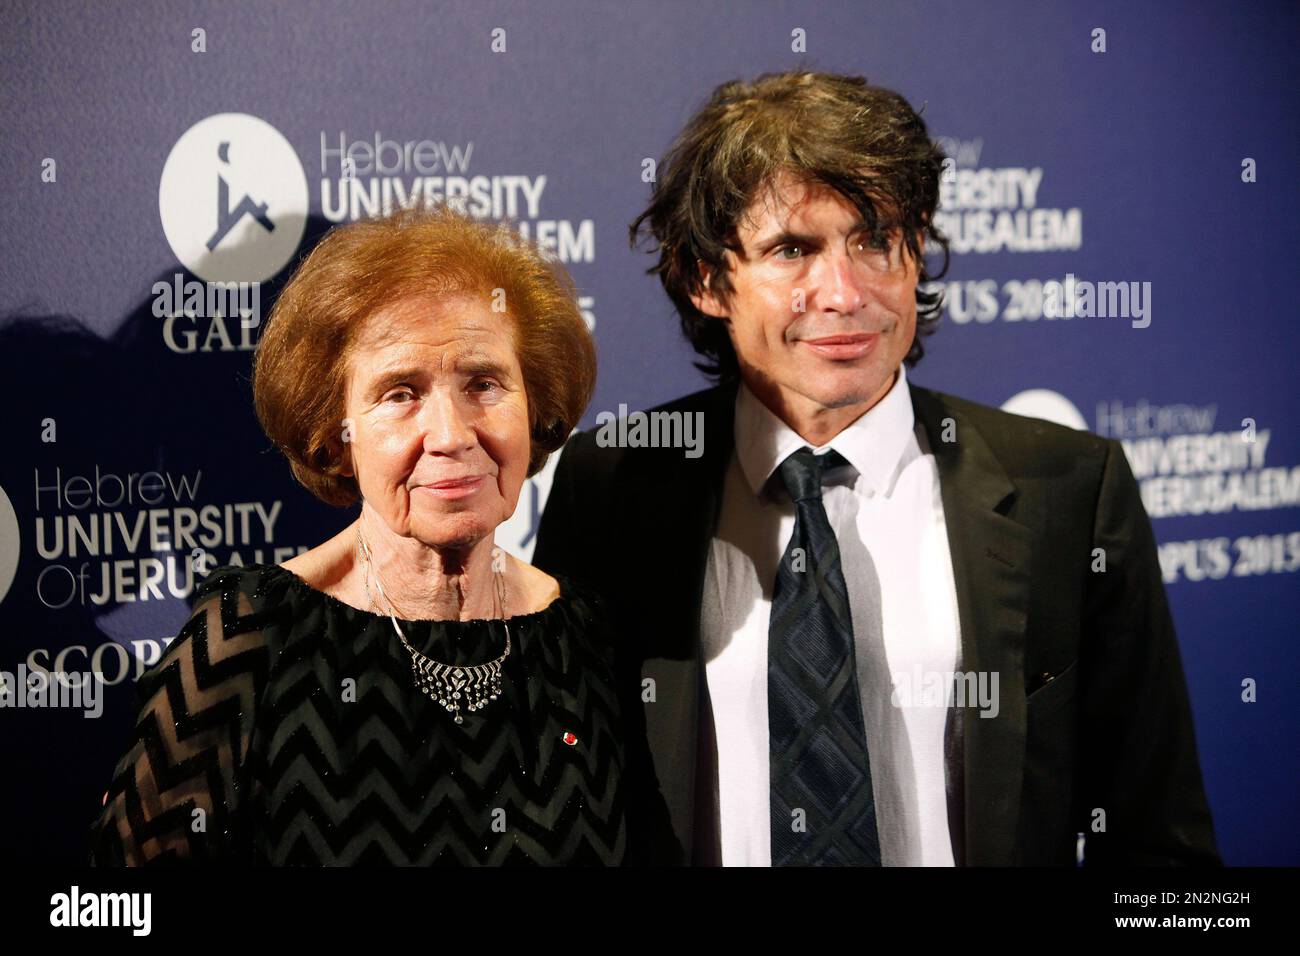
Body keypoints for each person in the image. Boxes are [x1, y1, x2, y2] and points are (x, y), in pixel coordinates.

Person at [533, 70, 1221, 866]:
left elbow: (1158, 838)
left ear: (918, 248)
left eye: (874, 239)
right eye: (794, 249)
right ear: (706, 280)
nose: (845, 291)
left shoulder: (1064, 487)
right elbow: (571, 798)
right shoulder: (616, 485)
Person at [88, 204, 638, 865]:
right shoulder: (247, 640)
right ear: (335, 433)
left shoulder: (586, 640)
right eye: (401, 393)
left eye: (484, 383)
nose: (452, 435)